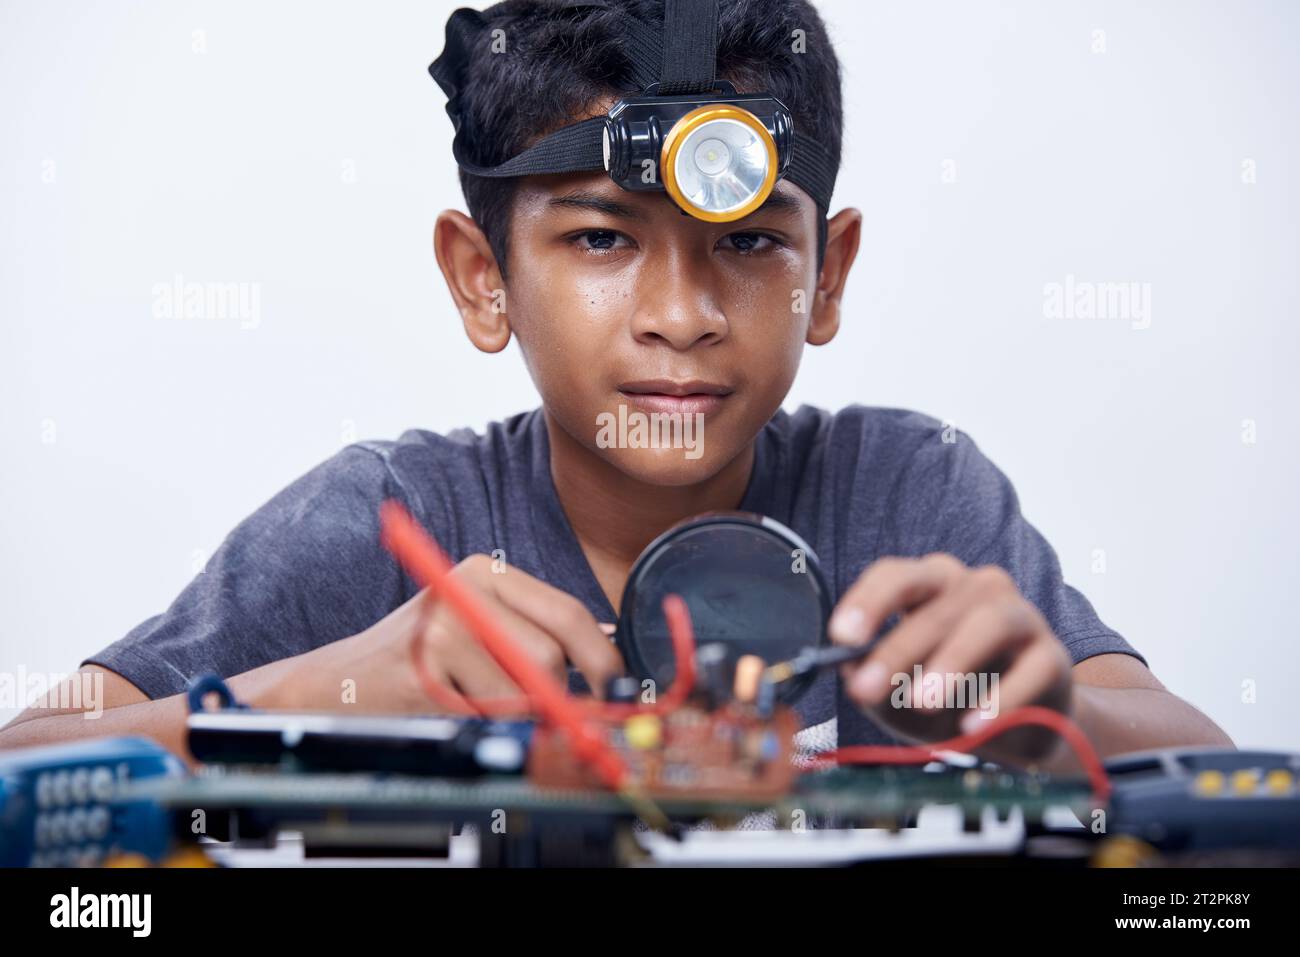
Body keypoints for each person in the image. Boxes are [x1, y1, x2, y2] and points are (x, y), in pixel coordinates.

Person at [1, 0, 1230, 770]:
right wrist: (316, 690)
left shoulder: (907, 493)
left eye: (749, 242)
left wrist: (1050, 715)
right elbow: (26, 762)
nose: (682, 316)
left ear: (829, 271)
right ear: (482, 277)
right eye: (600, 240)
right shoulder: (381, 522)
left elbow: (1205, 759)